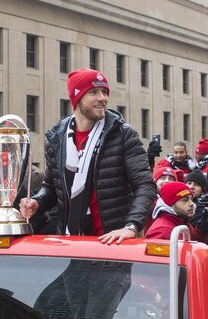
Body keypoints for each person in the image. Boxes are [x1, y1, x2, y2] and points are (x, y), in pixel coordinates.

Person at [20, 69, 155, 243]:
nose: (102, 98)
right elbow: (52, 188)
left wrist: (131, 226)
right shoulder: (56, 139)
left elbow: (145, 185)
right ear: (76, 98)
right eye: (93, 92)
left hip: (115, 243)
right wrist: (37, 203)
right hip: (72, 243)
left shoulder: (124, 134)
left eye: (104, 92)